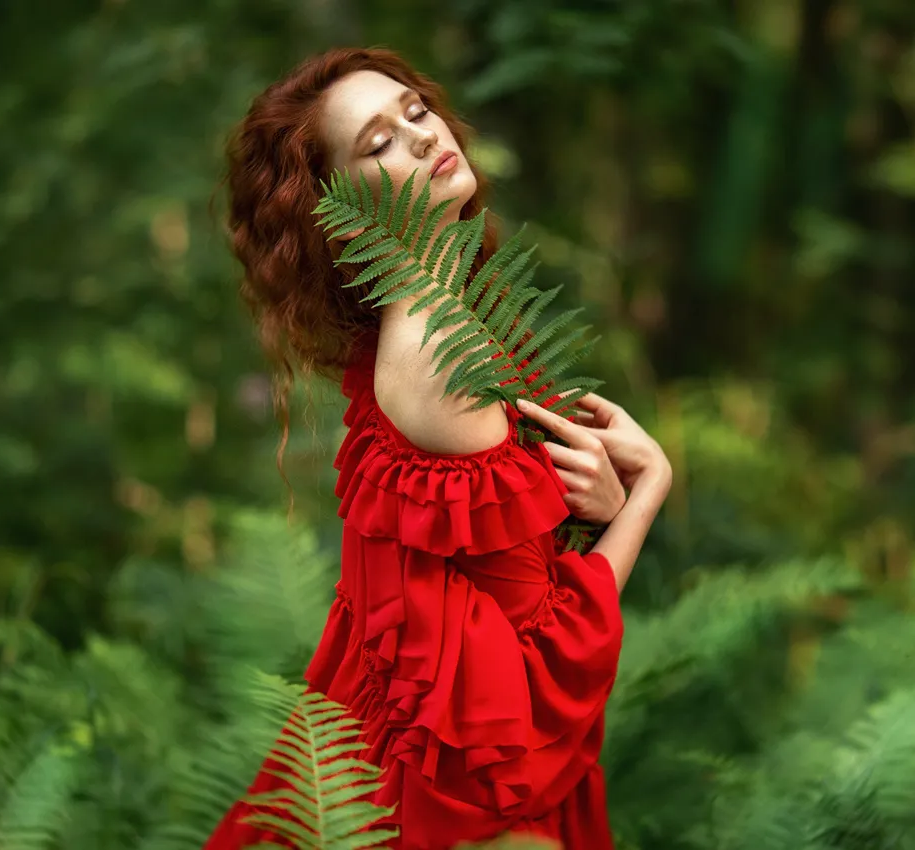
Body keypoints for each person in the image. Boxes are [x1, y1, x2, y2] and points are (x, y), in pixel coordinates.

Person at [205, 45, 672, 850]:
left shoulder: (442, 305)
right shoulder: (434, 350)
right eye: (378, 143)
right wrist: (647, 488)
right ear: (336, 207)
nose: (421, 137)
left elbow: (493, 574)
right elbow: (528, 677)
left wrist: (593, 500)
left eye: (416, 111)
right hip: (463, 797)